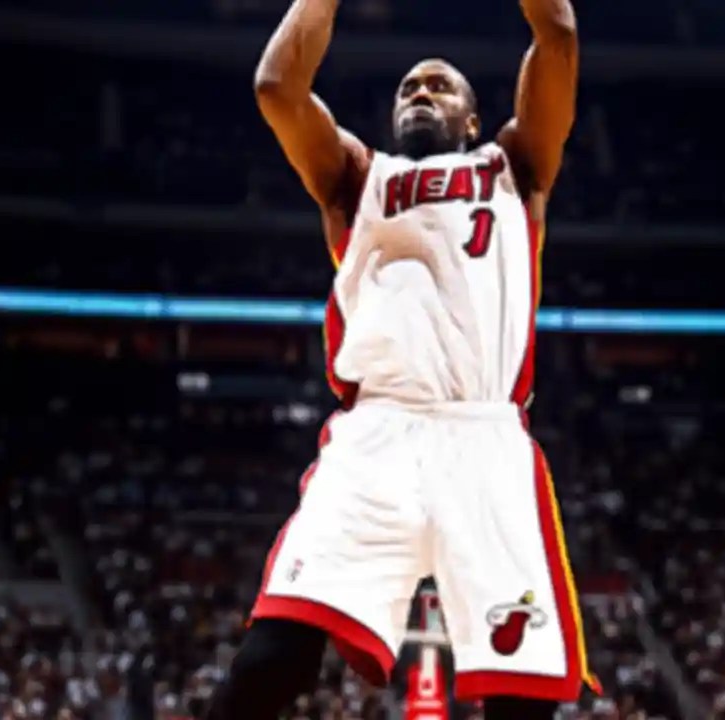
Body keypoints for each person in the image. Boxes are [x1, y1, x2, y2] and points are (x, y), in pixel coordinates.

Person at [206, 0, 598, 717]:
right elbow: (276, 90)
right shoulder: (358, 176)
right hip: (375, 439)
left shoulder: (516, 164)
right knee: (272, 658)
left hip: (484, 438)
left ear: (474, 120)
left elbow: (560, 33)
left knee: (522, 695)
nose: (420, 92)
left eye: (439, 86)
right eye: (408, 87)